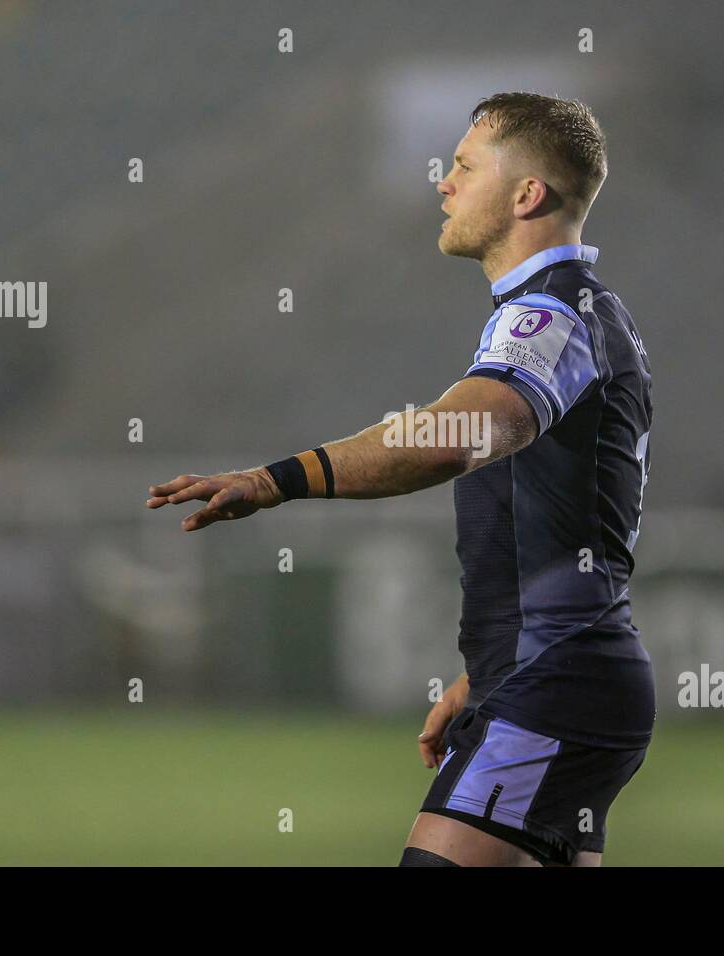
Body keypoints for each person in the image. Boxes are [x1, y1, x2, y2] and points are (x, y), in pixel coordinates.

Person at [148, 92, 655, 866]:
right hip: (552, 677)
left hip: (553, 687)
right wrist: (482, 669)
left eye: (463, 166)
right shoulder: (578, 313)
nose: (443, 183)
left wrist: (281, 478)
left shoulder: (549, 317)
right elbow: (575, 514)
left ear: (527, 195)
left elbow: (458, 437)